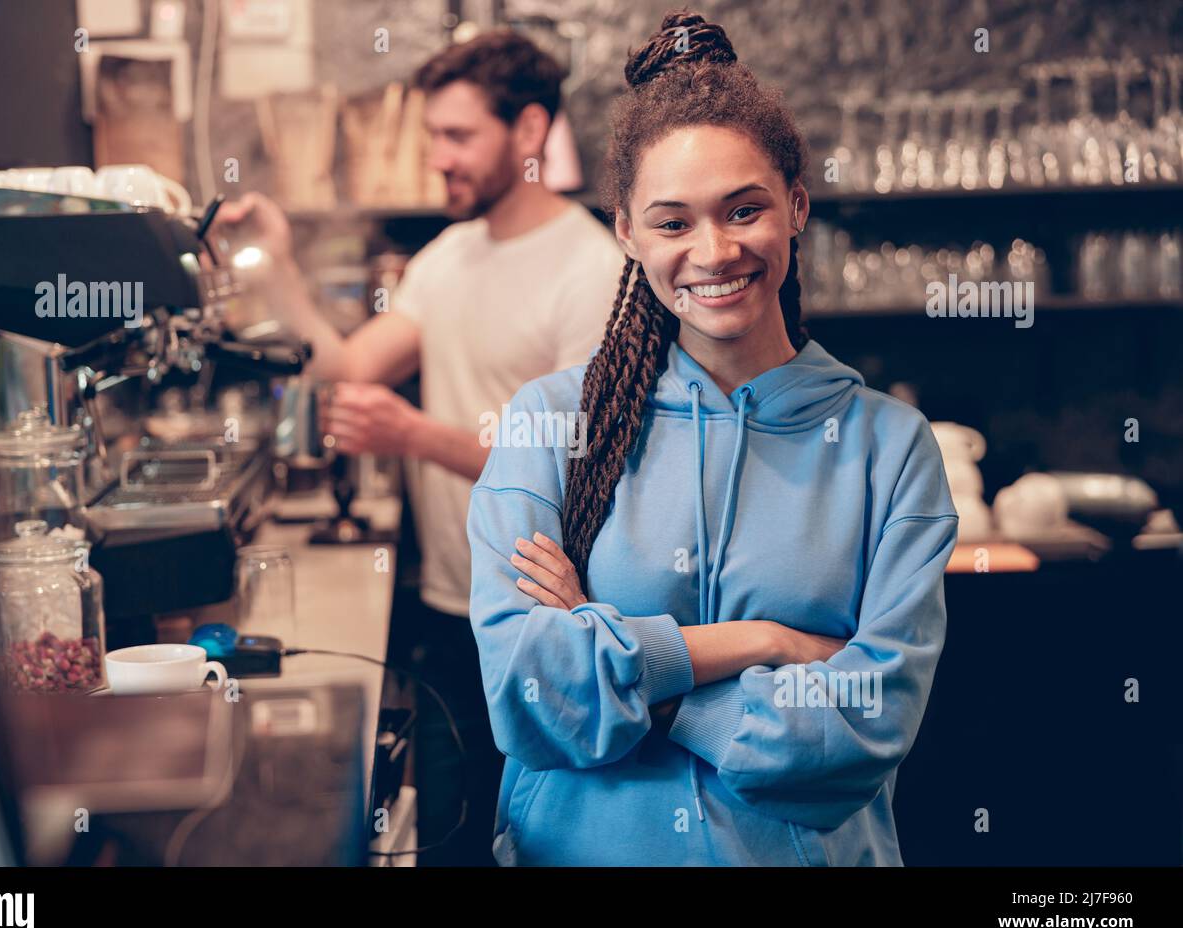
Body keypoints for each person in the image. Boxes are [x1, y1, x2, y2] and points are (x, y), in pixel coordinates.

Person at [466, 10, 959, 866]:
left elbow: (860, 739)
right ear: (626, 231)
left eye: (744, 210)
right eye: (672, 223)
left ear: (795, 207)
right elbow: (527, 692)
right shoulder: (552, 423)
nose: (714, 250)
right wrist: (762, 644)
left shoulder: (893, 447)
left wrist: (624, 658)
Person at [215, 30, 623, 865]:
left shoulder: (590, 269)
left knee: (539, 838)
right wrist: (279, 265)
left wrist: (414, 436)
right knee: (451, 834)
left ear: (531, 131)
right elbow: (349, 365)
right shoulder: (449, 258)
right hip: (448, 603)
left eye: (458, 136)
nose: (438, 158)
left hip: (547, 616)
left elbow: (579, 462)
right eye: (434, 135)